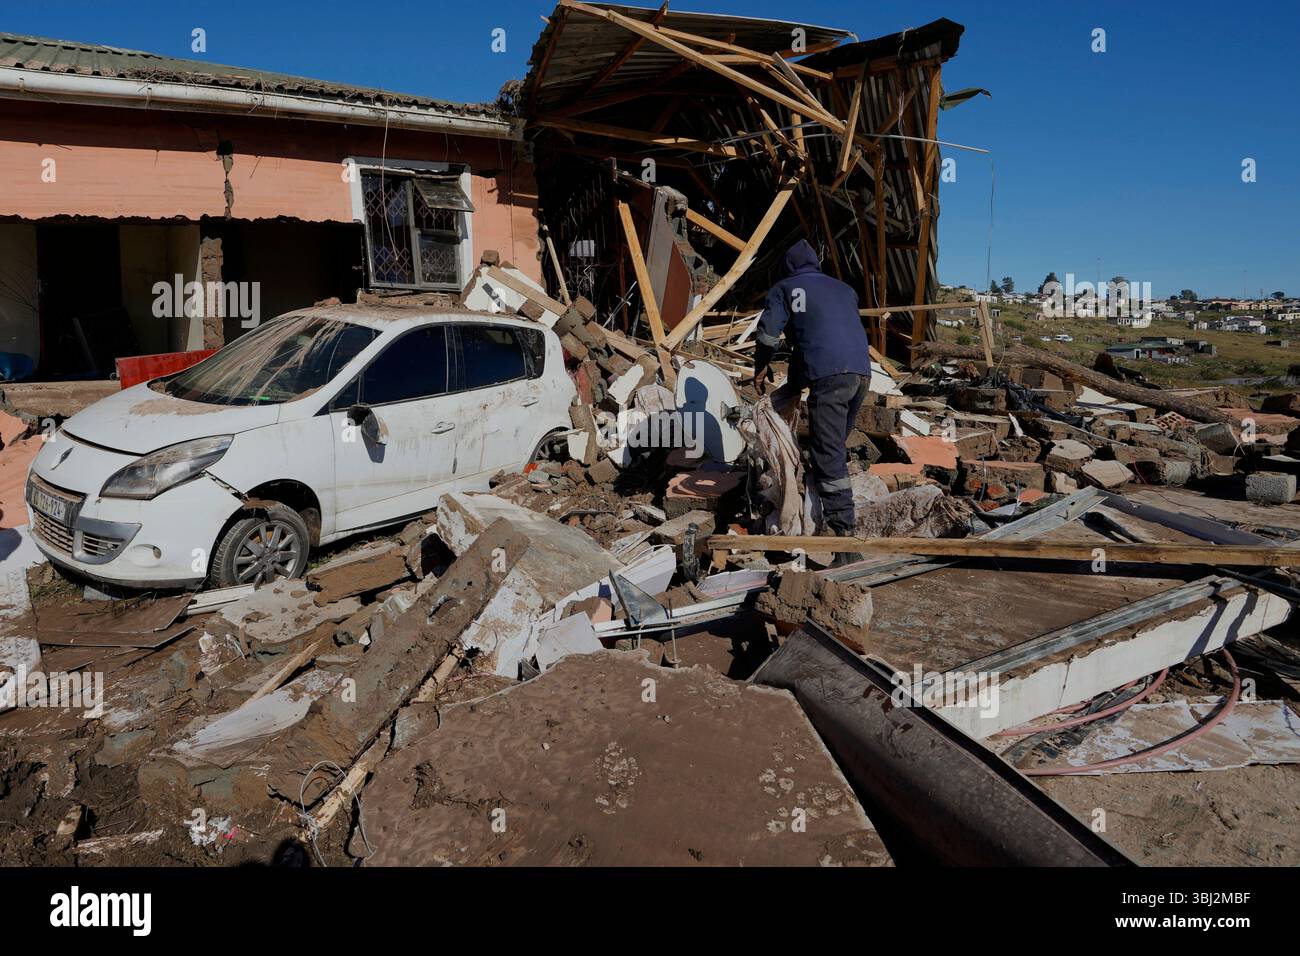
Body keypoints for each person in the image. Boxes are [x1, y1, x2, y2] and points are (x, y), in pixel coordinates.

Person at [751, 239, 871, 559]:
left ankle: (845, 540)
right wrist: (792, 387)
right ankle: (816, 512)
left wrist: (760, 365)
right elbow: (819, 340)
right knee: (828, 452)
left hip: (830, 378)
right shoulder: (843, 290)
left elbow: (766, 336)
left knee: (827, 457)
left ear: (786, 269)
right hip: (860, 374)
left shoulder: (786, 288)